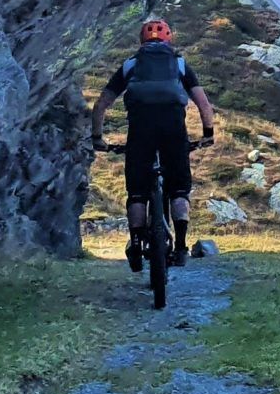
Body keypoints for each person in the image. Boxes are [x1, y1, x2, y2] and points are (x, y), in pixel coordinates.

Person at [90, 17, 217, 272]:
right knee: (179, 190)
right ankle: (180, 246)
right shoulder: (179, 63)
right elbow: (204, 104)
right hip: (173, 128)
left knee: (137, 192)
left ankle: (136, 244)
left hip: (141, 130)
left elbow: (101, 104)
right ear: (169, 39)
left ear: (141, 40)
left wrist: (97, 138)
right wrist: (208, 134)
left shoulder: (130, 64)